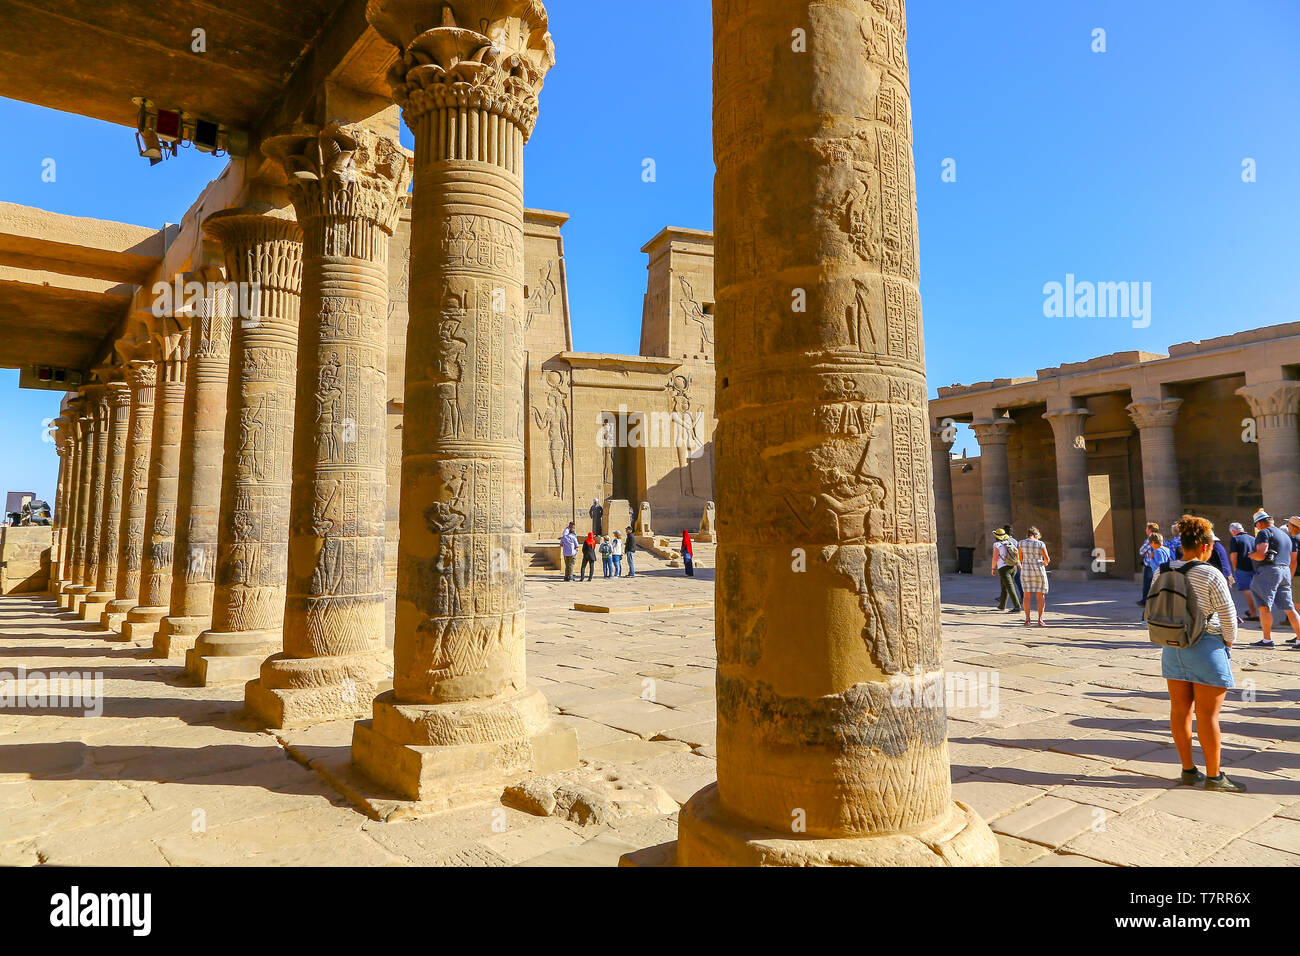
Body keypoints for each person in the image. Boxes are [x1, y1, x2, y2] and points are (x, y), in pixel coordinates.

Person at [1151, 514, 1244, 792]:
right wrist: (1229, 643)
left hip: (1173, 646)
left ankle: (1189, 770)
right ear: (1205, 546)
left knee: (1179, 711)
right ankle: (1214, 776)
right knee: (1208, 716)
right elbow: (1229, 616)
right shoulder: (1209, 573)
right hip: (1206, 645)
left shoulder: (1163, 569)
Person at [1248, 509, 1300, 647]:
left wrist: (1251, 555)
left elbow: (1261, 554)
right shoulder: (1285, 536)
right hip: (1285, 571)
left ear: (1259, 524)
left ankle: (1267, 639)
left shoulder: (1264, 532)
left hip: (1269, 571)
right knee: (1290, 608)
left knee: (1264, 607)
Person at [1017, 527, 1051, 626]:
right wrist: (1044, 563)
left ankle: (1027, 619)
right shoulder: (1040, 543)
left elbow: (1020, 558)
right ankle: (1040, 619)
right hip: (1038, 570)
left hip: (1026, 570)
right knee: (1040, 595)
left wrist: (1024, 565)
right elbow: (1047, 559)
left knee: (1027, 595)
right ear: (1036, 535)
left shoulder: (1021, 543)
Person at [1228, 521, 1259, 622]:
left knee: (1247, 591)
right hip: (1254, 568)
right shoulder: (1253, 539)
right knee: (1255, 591)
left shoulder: (1235, 539)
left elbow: (1234, 555)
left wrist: (1235, 568)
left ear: (1233, 531)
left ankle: (1253, 612)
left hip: (1242, 568)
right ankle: (1255, 611)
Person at [990, 528, 1022, 614]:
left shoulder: (997, 544)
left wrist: (993, 568)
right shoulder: (1009, 542)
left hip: (1003, 568)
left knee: (1010, 587)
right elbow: (1016, 555)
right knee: (1004, 586)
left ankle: (1017, 606)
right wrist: (1019, 566)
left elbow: (995, 558)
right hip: (1013, 567)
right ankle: (1002, 605)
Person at [1138, 521, 1161, 606]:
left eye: (1147, 528)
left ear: (1150, 530)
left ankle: (1145, 601)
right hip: (1158, 564)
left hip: (1149, 564)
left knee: (1147, 583)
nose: (1146, 530)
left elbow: (1141, 551)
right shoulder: (1160, 538)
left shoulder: (1149, 540)